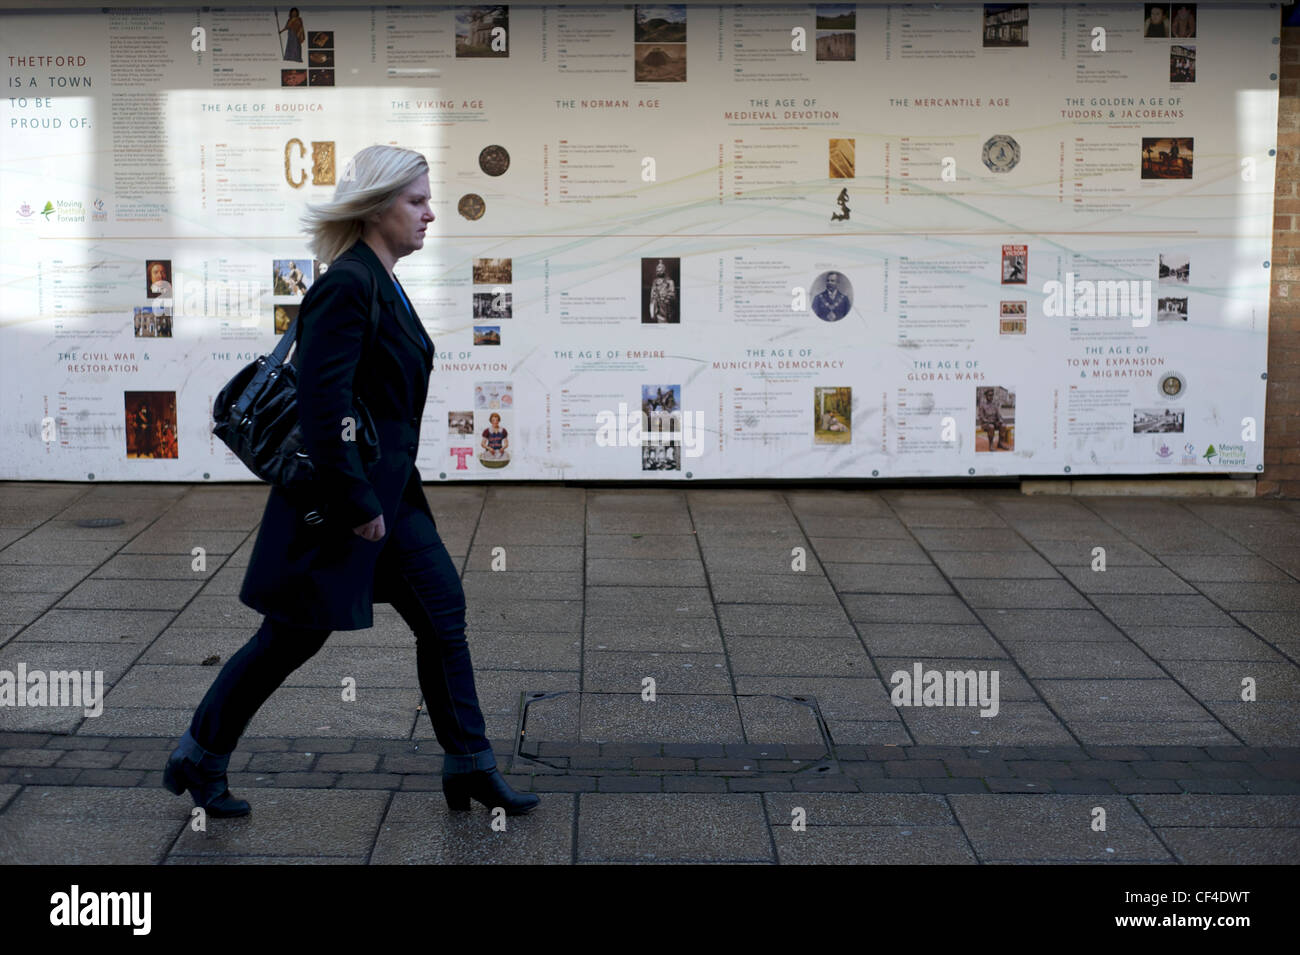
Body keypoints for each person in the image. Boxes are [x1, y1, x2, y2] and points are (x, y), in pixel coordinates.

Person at [163, 145, 538, 819]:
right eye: (416, 201)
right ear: (376, 207)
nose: (430, 214)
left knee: (442, 613)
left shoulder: (378, 278)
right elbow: (322, 401)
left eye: (428, 200)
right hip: (345, 503)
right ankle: (199, 753)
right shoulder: (349, 283)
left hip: (390, 497)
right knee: (290, 638)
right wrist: (356, 500)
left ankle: (471, 763)